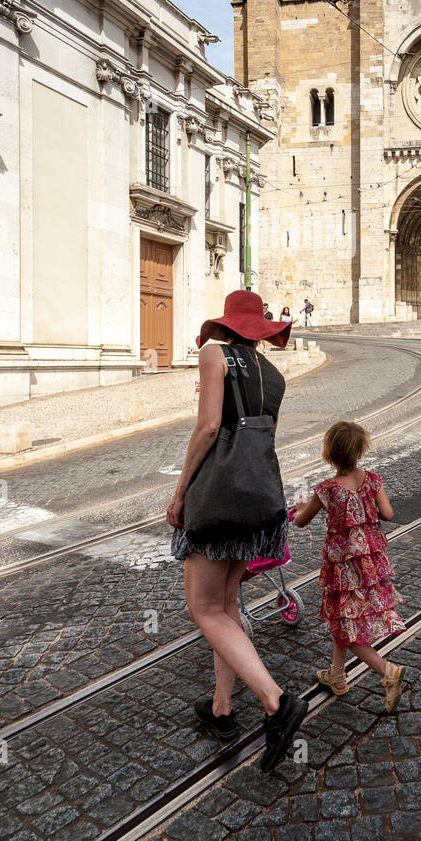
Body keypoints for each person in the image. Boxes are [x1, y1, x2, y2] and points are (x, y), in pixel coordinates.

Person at [165, 290, 306, 771]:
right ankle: (222, 707)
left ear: (224, 324)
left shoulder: (212, 353)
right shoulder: (274, 373)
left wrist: (181, 491)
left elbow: (208, 429)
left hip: (219, 496)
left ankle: (276, 701)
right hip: (258, 497)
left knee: (203, 607)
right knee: (227, 606)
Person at [294, 421, 406, 712]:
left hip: (343, 570)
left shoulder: (327, 489)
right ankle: (337, 675)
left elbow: (300, 520)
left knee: (344, 625)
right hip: (369, 568)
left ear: (329, 454)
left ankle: (387, 671)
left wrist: (301, 504)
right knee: (343, 618)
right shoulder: (372, 480)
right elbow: (389, 514)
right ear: (360, 451)